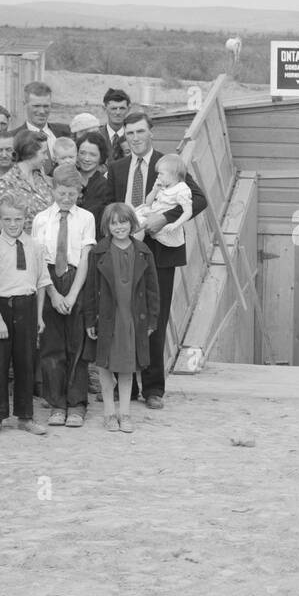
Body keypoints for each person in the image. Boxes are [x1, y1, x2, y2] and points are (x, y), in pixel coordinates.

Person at [107, 110, 208, 410]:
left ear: (151, 132)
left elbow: (198, 199)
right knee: (123, 315)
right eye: (130, 134)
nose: (135, 138)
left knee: (155, 317)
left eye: (140, 132)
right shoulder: (117, 168)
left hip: (160, 253)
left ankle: (153, 388)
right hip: (124, 250)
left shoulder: (169, 165)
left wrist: (162, 218)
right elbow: (110, 205)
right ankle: (125, 383)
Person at [84, 203, 160, 433]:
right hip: (107, 318)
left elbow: (152, 290)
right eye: (114, 223)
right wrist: (90, 319)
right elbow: (90, 288)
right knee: (105, 367)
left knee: (128, 367)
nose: (119, 227)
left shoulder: (143, 251)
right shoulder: (99, 251)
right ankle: (109, 413)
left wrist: (151, 321)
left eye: (123, 222)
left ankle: (125, 413)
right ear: (107, 225)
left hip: (132, 318)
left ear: (132, 223)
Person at [0, 196, 51, 438]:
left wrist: (39, 316)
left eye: (18, 219)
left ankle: (25, 416)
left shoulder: (35, 246)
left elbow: (41, 283)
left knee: (26, 363)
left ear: (25, 219)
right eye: (7, 219)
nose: (12, 224)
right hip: (2, 307)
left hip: (27, 306)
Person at [33, 165, 97, 427]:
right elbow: (39, 259)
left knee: (76, 346)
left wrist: (71, 295)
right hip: (48, 282)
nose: (67, 199)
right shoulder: (41, 219)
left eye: (72, 194)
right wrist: (54, 294)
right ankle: (57, 403)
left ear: (79, 192)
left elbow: (84, 258)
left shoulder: (86, 218)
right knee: (51, 347)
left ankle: (77, 404)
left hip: (75, 281)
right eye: (62, 193)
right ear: (53, 190)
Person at [0, 136, 52, 235]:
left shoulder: (43, 180)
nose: (46, 157)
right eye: (43, 153)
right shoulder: (5, 184)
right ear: (30, 153)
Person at [135, 153, 193, 249]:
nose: (158, 176)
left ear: (174, 174)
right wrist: (154, 190)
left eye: (161, 173)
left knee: (141, 224)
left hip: (163, 224)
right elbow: (148, 203)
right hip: (152, 213)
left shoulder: (181, 189)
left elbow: (188, 212)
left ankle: (134, 247)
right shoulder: (162, 185)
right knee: (134, 215)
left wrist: (175, 224)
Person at [12, 81, 71, 172]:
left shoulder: (66, 132)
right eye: (36, 106)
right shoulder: (13, 138)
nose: (42, 111)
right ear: (24, 104)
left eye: (46, 106)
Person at [75, 132, 113, 230]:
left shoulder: (105, 186)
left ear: (101, 157)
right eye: (82, 153)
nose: (86, 159)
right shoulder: (68, 177)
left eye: (93, 155)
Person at [100, 88, 133, 161]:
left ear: (128, 109)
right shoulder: (97, 136)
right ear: (104, 109)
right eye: (114, 108)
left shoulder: (134, 136)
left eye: (122, 108)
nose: (118, 113)